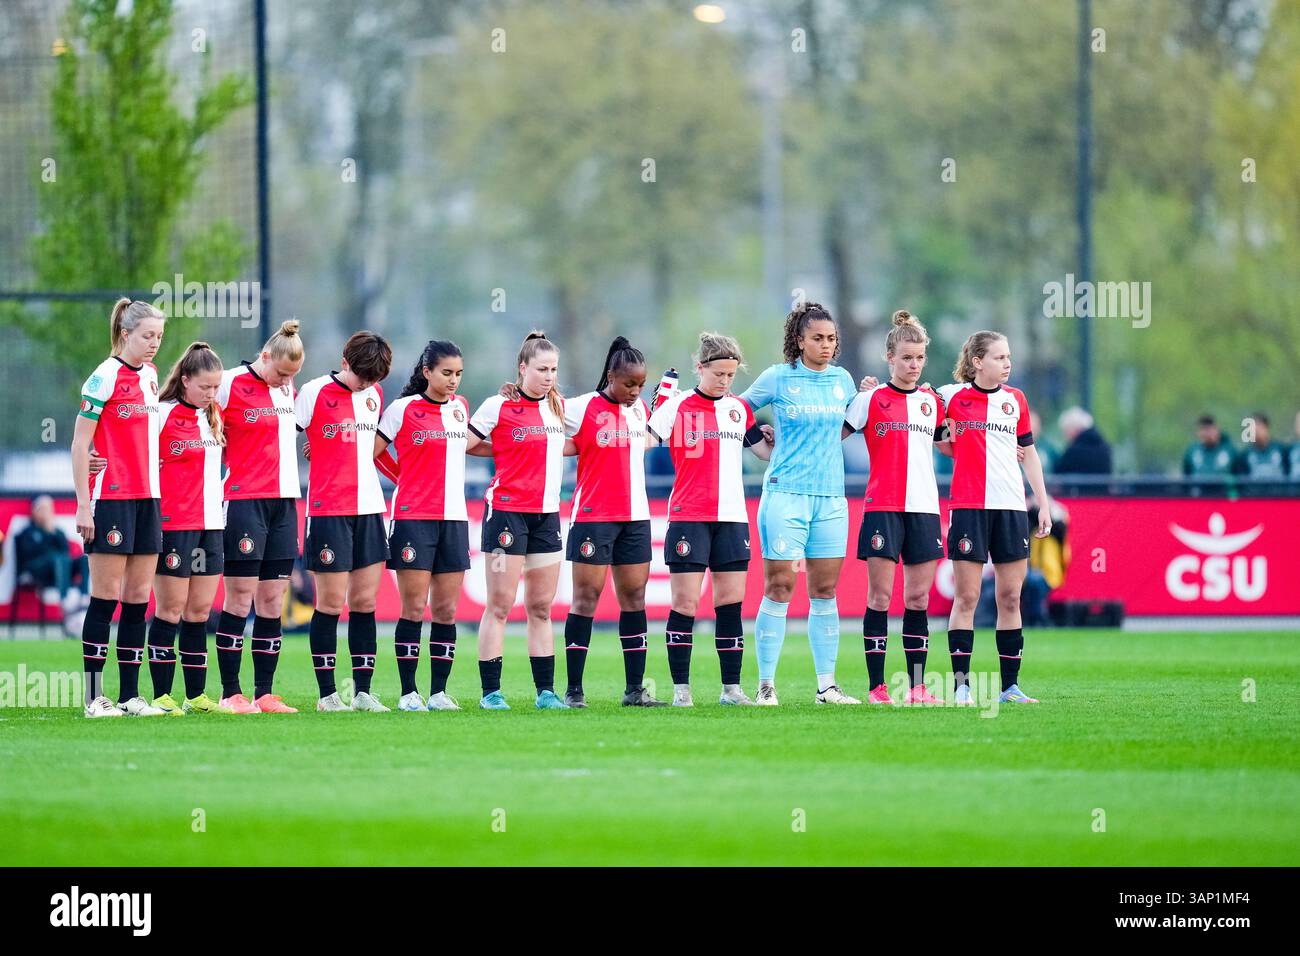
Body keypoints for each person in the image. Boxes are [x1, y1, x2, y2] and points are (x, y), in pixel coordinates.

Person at [740, 301, 859, 706]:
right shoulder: (778, 378)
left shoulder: (844, 381)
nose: (826, 345)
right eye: (817, 338)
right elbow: (736, 410)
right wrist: (759, 442)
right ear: (799, 340)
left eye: (831, 339)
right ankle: (766, 685)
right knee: (780, 586)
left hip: (830, 499)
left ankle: (827, 686)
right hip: (785, 496)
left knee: (824, 590)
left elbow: (851, 423)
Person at [648, 332, 772, 707]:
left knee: (730, 604)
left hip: (732, 518)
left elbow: (763, 453)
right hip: (689, 514)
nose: (724, 381)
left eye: (731, 375)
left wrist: (775, 437)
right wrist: (657, 404)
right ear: (700, 368)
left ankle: (731, 690)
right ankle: (681, 691)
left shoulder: (739, 409)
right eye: (718, 373)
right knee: (685, 604)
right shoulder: (677, 405)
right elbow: (647, 438)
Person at [938, 330, 1052, 705]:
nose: (1008, 364)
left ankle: (1010, 687)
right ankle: (962, 687)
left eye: (1008, 357)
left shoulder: (1015, 400)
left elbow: (1028, 453)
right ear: (977, 362)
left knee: (1010, 597)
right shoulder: (950, 396)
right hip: (969, 507)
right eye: (1000, 357)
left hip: (1010, 508)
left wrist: (1043, 503)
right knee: (967, 597)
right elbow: (933, 433)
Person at [374, 340, 489, 712]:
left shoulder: (461, 409)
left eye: (458, 374)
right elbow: (373, 453)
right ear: (427, 372)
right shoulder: (402, 410)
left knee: (447, 611)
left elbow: (475, 444)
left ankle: (438, 692)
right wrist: (402, 477)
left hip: (453, 520)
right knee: (413, 609)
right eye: (446, 373)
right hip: (412, 518)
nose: (453, 381)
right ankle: (409, 693)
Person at [843, 310, 946, 705]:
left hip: (924, 509)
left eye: (919, 358)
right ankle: (877, 688)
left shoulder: (932, 402)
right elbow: (832, 436)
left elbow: (950, 445)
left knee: (918, 600)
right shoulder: (870, 400)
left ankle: (918, 686)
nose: (914, 365)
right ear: (890, 357)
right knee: (880, 599)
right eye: (906, 358)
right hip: (883, 507)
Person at [71, 298, 167, 717]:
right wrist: (82, 506)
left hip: (149, 500)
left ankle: (130, 697)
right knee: (104, 598)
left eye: (159, 337)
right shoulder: (103, 376)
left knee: (137, 600)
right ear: (126, 334)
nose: (154, 344)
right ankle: (95, 698)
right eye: (148, 336)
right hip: (110, 497)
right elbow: (79, 444)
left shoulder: (150, 375)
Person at [558, 337, 665, 707]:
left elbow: (648, 441)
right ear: (610, 376)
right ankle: (574, 691)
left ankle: (635, 690)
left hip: (635, 517)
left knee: (634, 598)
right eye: (628, 384)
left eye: (640, 385)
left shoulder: (639, 412)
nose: (635, 392)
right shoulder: (581, 406)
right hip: (593, 516)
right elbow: (538, 410)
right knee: (585, 599)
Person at [469, 332, 570, 710]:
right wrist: (505, 450)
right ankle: (490, 693)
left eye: (554, 369)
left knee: (541, 607)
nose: (548, 376)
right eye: (542, 369)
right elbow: (463, 442)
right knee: (499, 605)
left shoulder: (560, 407)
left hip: (546, 516)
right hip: (507, 515)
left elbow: (577, 438)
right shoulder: (498, 406)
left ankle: (546, 692)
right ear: (522, 368)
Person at [296, 331, 394, 712]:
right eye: (361, 377)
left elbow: (362, 445)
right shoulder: (314, 392)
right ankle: (327, 695)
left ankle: (363, 692)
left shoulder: (374, 394)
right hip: (328, 510)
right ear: (344, 361)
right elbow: (285, 437)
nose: (366, 386)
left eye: (373, 381)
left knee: (365, 602)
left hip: (369, 508)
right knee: (331, 602)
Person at [213, 320, 306, 714]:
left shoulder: (289, 389)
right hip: (243, 501)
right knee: (239, 598)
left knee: (272, 600)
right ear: (265, 357)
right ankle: (230, 693)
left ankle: (264, 693)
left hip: (284, 503)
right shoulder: (229, 383)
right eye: (281, 372)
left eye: (292, 377)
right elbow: (184, 410)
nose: (286, 381)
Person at [147, 343, 234, 715]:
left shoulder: (214, 416)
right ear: (184, 381)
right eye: (204, 387)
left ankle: (196, 695)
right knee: (170, 609)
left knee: (199, 612)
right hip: (174, 525)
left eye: (215, 388)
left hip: (210, 526)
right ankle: (161, 695)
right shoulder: (162, 415)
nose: (211, 394)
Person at [15, 495, 88, 612]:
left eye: (49, 509)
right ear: (34, 511)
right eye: (43, 509)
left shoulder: (57, 532)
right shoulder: (27, 533)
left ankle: (84, 596)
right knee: (58, 558)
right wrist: (47, 534)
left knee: (83, 559)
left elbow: (66, 553)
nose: (47, 513)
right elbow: (28, 556)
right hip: (39, 571)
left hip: (60, 568)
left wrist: (52, 532)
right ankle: (65, 599)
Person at [1054, 406, 1112, 475]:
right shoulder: (1104, 447)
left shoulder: (1074, 451)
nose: (1065, 435)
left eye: (1066, 430)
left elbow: (1060, 472)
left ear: (1074, 429)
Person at [1233, 413, 1288, 478]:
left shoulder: (1281, 449)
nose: (1256, 432)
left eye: (1259, 427)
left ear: (1266, 428)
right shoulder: (1245, 455)